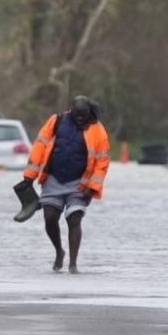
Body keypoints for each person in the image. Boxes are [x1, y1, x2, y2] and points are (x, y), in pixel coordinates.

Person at [19, 96, 110, 274]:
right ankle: (59, 251)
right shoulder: (56, 121)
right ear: (71, 111)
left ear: (90, 112)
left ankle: (73, 264)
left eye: (84, 116)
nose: (80, 119)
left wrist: (92, 188)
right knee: (50, 218)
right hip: (53, 178)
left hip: (80, 182)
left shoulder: (98, 129)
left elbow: (102, 161)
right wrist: (29, 175)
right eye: (77, 115)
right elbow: (39, 146)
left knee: (74, 218)